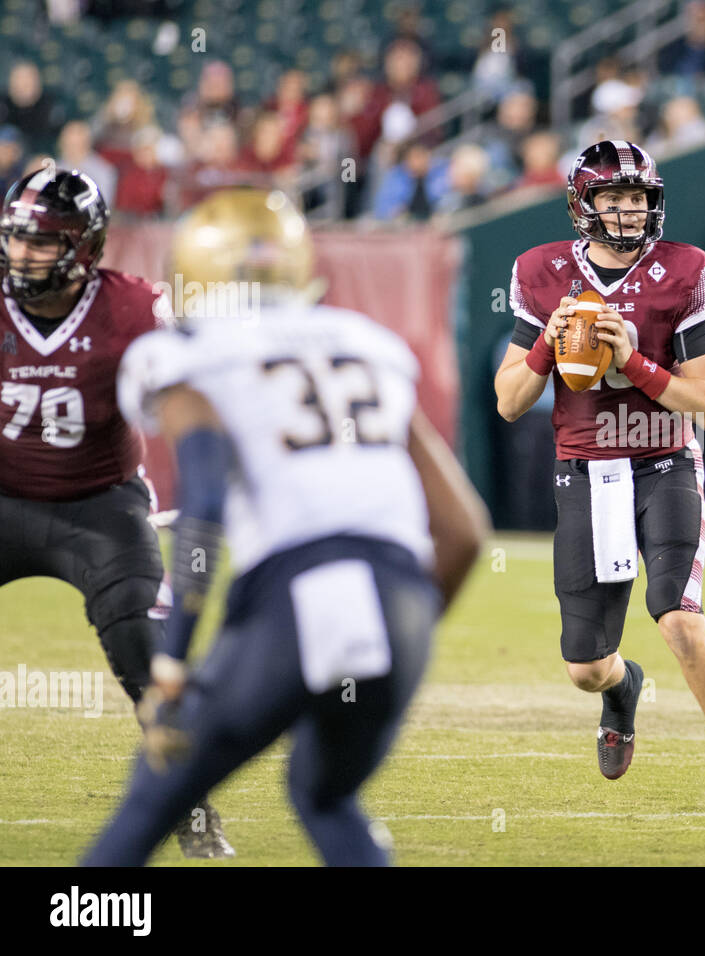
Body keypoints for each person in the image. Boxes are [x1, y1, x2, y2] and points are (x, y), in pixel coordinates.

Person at [83, 188, 490, 865]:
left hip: (299, 596)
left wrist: (173, 663)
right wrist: (391, 630)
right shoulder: (365, 343)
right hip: (402, 607)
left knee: (153, 795)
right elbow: (467, 532)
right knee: (322, 793)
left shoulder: (186, 350)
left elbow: (205, 499)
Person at [493, 141, 705, 809]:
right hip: (586, 466)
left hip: (663, 460)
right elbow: (508, 401)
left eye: (638, 197)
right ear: (582, 206)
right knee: (586, 667)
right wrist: (549, 341)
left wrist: (639, 364)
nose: (627, 211)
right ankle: (624, 688)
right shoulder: (543, 273)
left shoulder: (684, 270)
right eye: (612, 198)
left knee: (678, 617)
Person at [0, 167, 232, 858]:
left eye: (42, 244)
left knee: (142, 642)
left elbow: (197, 392)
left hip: (98, 504)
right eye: (15, 241)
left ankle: (189, 802)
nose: (22, 257)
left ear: (84, 248)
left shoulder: (133, 309)